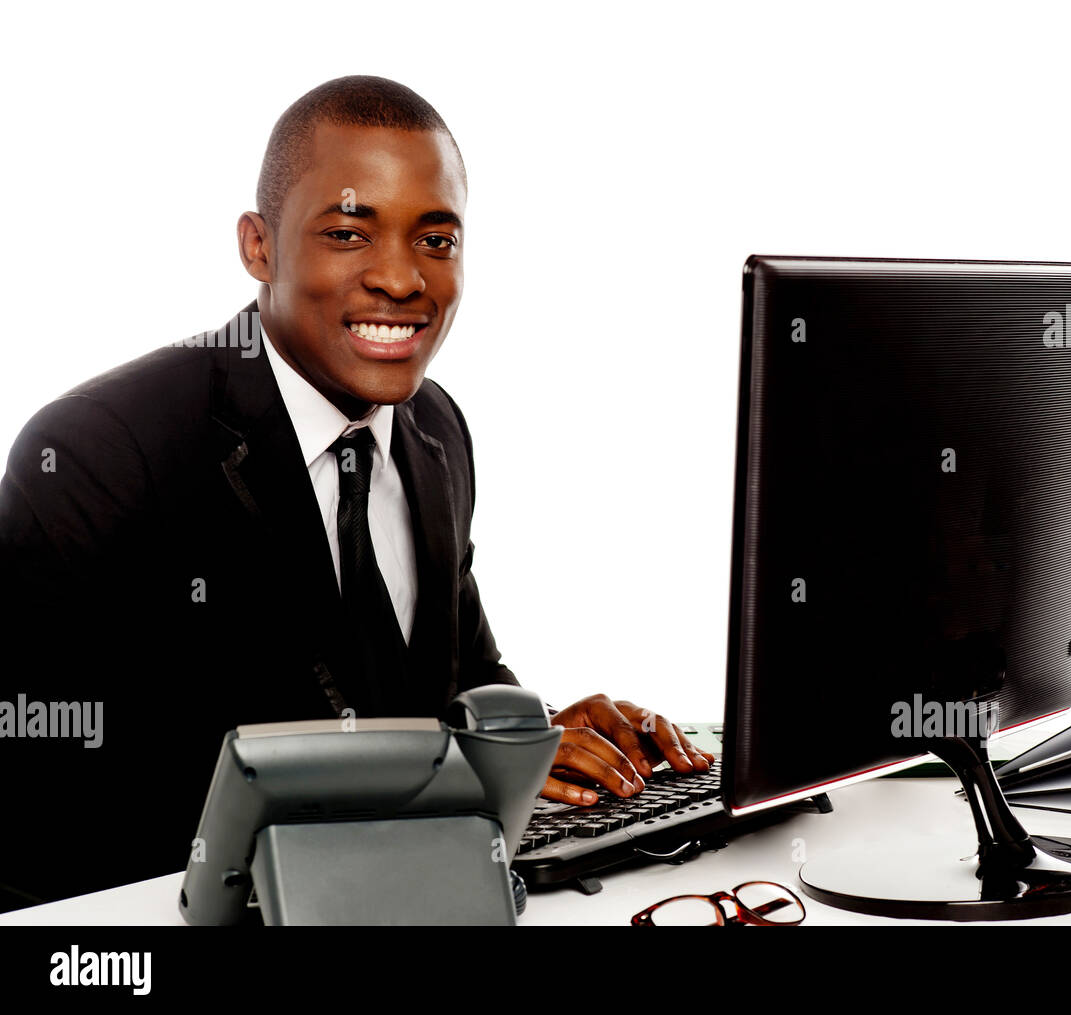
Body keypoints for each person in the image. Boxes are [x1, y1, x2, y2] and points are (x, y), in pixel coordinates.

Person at [0, 75, 711, 910]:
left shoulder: (436, 431)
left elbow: (459, 682)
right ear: (258, 246)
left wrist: (539, 742)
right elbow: (39, 798)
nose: (402, 280)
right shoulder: (100, 450)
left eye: (436, 240)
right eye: (347, 232)